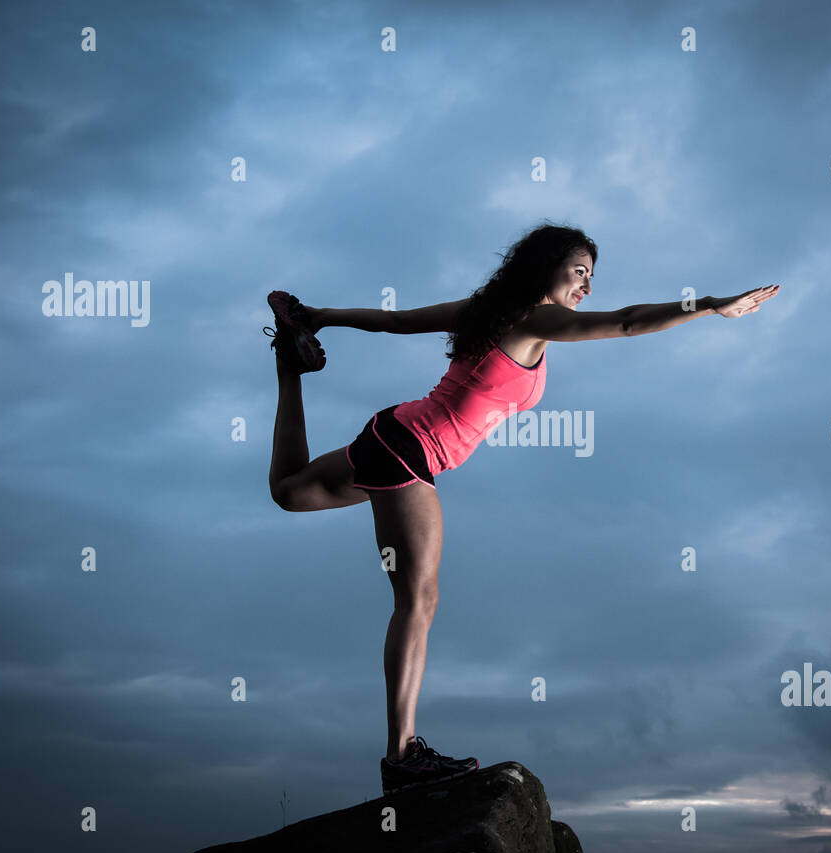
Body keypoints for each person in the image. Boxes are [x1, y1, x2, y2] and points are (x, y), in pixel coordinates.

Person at [261, 222, 779, 795]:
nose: (586, 284)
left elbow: (395, 321)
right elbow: (628, 322)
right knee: (420, 599)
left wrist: (315, 317)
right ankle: (402, 755)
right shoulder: (533, 318)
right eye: (578, 270)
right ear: (545, 266)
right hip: (410, 451)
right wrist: (708, 305)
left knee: (290, 492)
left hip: (393, 434)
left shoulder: (488, 310)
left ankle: (290, 368)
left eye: (592, 276)